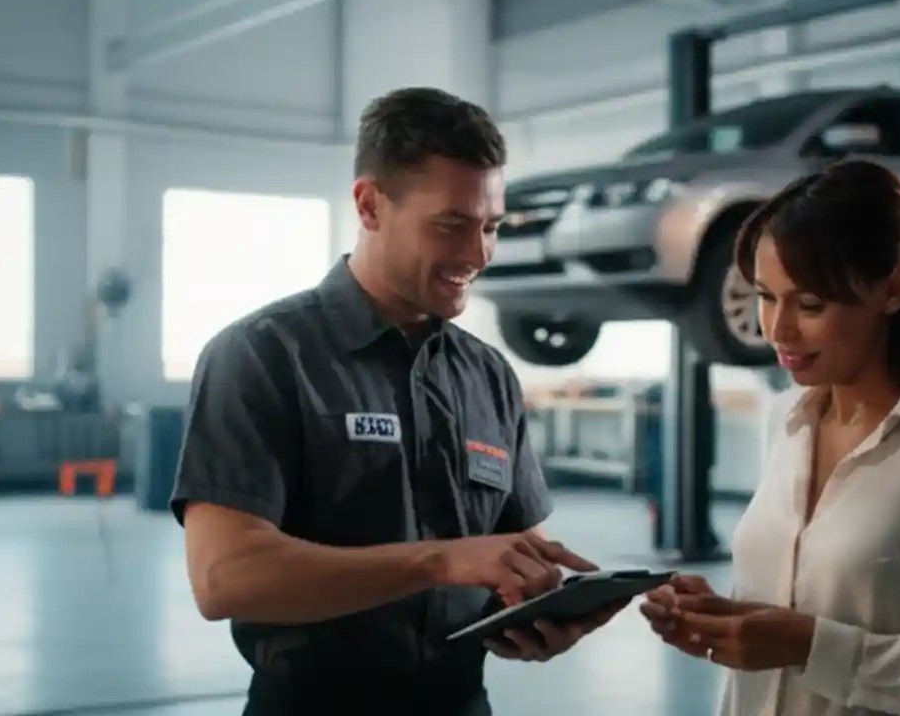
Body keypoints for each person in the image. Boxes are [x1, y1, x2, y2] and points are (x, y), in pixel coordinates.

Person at [171, 86, 624, 715]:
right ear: (369, 205)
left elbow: (509, 559)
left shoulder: (488, 375)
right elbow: (225, 579)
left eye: (491, 227)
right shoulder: (262, 356)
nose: (476, 254)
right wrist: (440, 561)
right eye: (451, 225)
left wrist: (535, 614)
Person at [642, 159, 900, 716]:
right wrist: (730, 619)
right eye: (766, 296)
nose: (778, 330)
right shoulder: (788, 418)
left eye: (810, 304)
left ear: (894, 288)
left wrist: (811, 646)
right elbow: (801, 615)